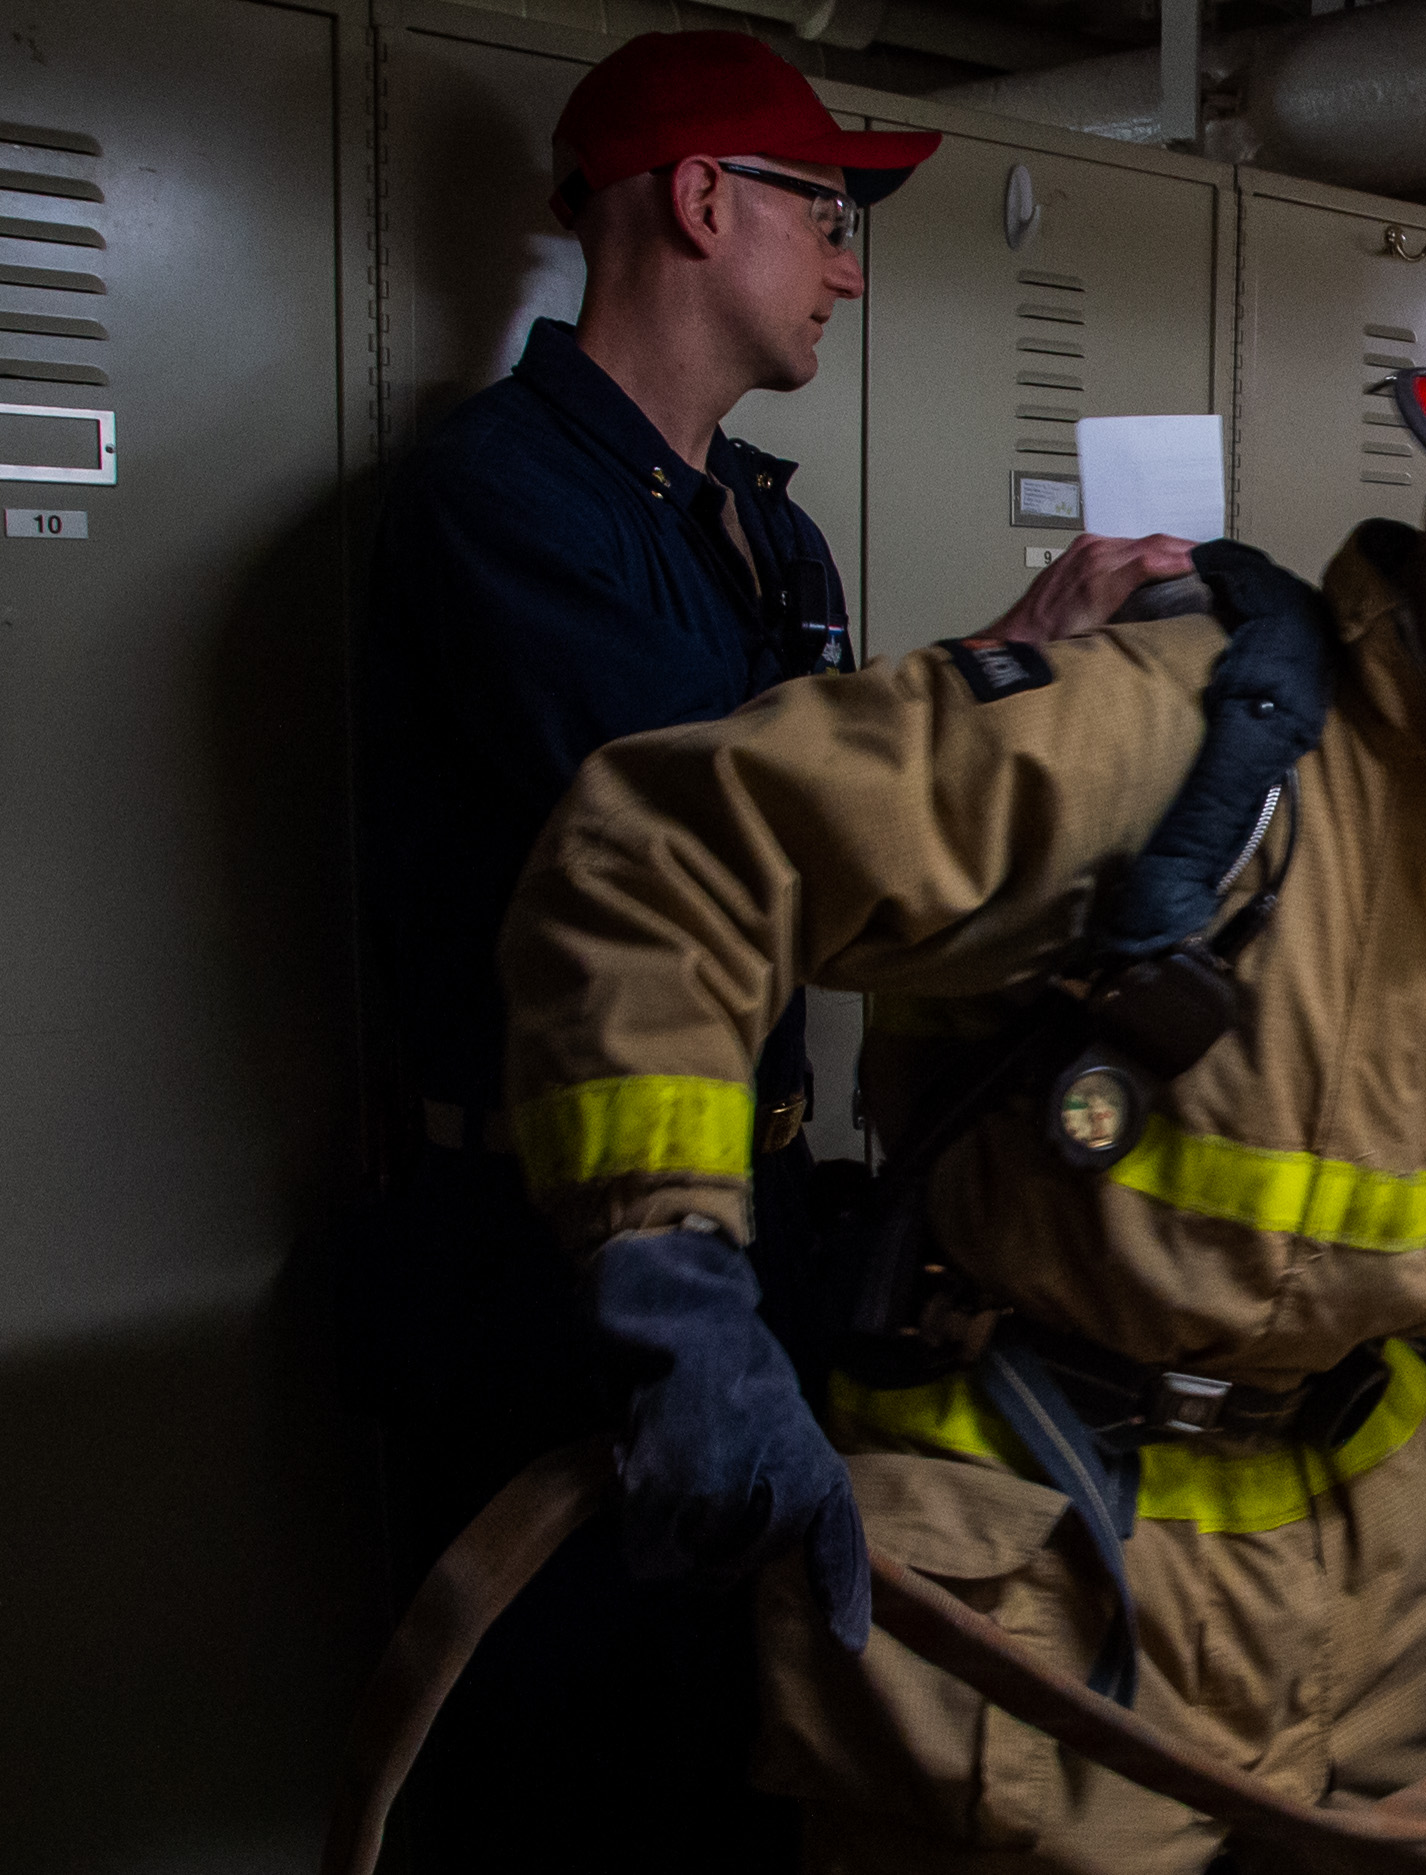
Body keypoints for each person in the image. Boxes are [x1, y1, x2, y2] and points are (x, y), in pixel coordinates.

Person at [478, 309, 1426, 1870]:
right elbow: (669, 852)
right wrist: (676, 1282)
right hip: (1046, 1570)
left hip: (1385, 1579)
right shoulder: (1173, 739)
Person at [352, 32, 1182, 1870]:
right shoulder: (500, 499)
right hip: (538, 1261)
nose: (848, 262)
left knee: (744, 1751)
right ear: (703, 203)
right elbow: (689, 824)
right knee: (561, 1776)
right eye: (823, 210)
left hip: (755, 1218)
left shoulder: (764, 529)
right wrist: (997, 672)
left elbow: (831, 829)